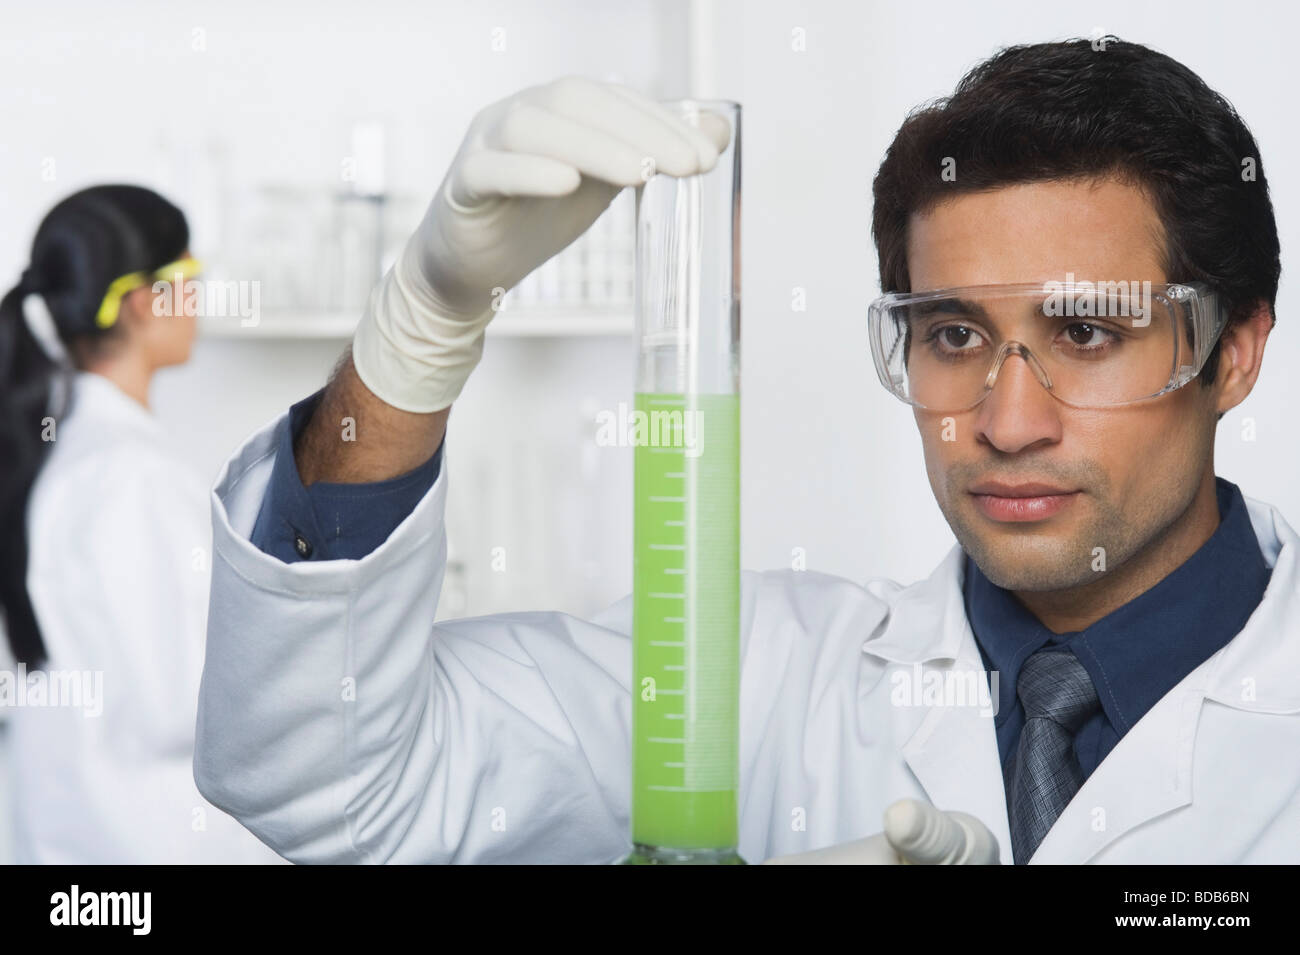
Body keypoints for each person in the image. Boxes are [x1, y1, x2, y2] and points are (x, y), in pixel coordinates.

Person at [193, 40, 1294, 865]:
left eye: (1086, 333)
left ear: (1234, 352)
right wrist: (418, 332)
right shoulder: (741, 675)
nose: (1006, 423)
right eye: (954, 336)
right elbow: (329, 784)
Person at [0, 185, 282, 863]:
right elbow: (175, 704)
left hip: (69, 836)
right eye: (188, 274)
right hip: (149, 843)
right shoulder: (129, 475)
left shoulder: (56, 450)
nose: (199, 297)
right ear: (140, 301)